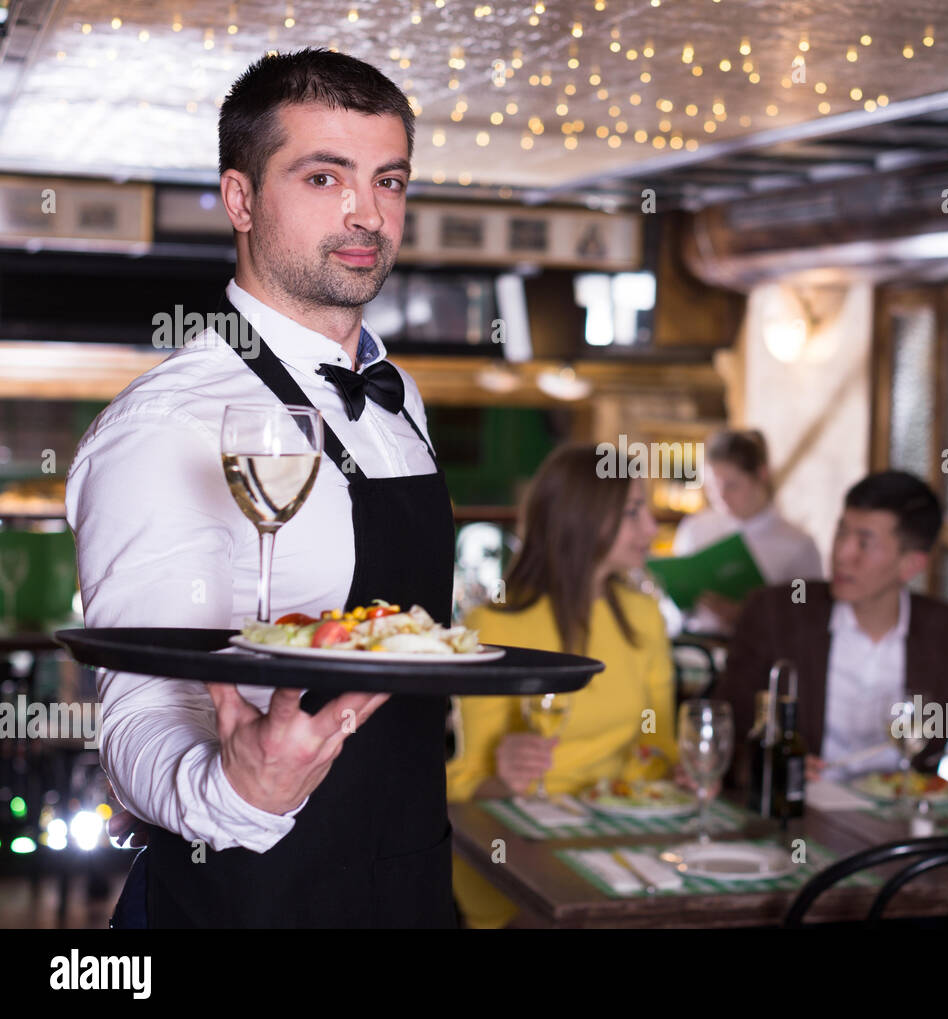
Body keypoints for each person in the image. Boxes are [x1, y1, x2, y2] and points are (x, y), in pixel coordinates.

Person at [64, 49, 458, 927]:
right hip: (246, 899)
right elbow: (137, 718)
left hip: (408, 883)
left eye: (387, 180)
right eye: (324, 176)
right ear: (240, 200)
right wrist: (241, 787)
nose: (366, 213)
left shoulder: (401, 398)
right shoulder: (168, 424)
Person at [446, 444, 678, 928]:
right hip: (518, 852)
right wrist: (504, 779)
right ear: (582, 517)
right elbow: (468, 788)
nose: (652, 529)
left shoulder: (644, 617)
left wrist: (684, 774)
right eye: (634, 512)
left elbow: (660, 748)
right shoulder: (491, 626)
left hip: (623, 841)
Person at [718, 470, 948, 787]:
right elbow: (729, 735)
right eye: (841, 533)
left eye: (865, 542)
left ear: (912, 564)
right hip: (799, 816)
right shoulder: (776, 614)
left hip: (901, 822)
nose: (843, 554)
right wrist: (768, 766)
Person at [671, 429, 823, 636]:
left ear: (761, 475)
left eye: (732, 485)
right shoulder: (694, 529)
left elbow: (805, 608)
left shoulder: (797, 545)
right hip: (695, 648)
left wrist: (748, 615)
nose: (722, 496)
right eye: (713, 487)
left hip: (761, 653)